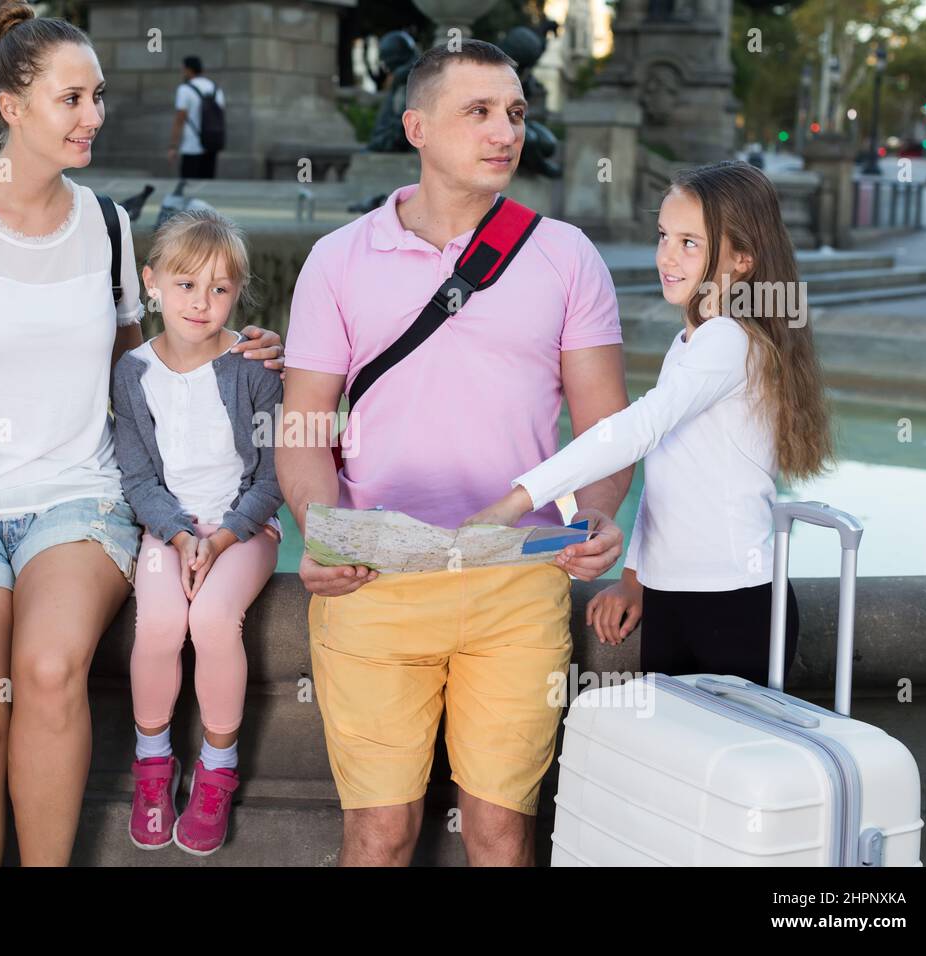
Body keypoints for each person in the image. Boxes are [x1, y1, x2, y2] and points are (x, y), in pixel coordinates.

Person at [0, 0, 284, 866]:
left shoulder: (107, 225)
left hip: (78, 497)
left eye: (96, 96)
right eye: (73, 99)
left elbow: (144, 365)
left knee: (53, 670)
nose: (94, 116)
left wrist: (228, 346)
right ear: (12, 107)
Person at [279, 39, 631, 867]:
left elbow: (609, 431)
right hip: (375, 579)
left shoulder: (566, 256)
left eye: (514, 113)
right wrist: (318, 531)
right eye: (478, 112)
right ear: (417, 128)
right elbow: (302, 428)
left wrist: (600, 516)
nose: (504, 131)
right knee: (378, 833)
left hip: (519, 575)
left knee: (501, 833)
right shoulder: (338, 259)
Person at [469, 161, 834, 686]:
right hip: (671, 599)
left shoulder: (730, 340)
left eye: (691, 243)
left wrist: (513, 503)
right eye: (664, 235)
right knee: (672, 765)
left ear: (743, 258)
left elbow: (636, 429)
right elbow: (665, 477)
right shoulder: (689, 342)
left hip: (735, 603)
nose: (667, 255)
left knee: (723, 765)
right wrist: (636, 583)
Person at [112, 208, 284, 856]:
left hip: (245, 531)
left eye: (219, 288)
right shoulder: (132, 374)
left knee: (213, 620)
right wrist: (181, 536)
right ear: (152, 283)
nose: (201, 302)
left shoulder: (253, 368)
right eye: (185, 285)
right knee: (158, 624)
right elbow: (137, 478)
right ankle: (153, 765)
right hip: (169, 531)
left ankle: (217, 770)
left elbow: (271, 479)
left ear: (238, 291)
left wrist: (221, 538)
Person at [168, 56, 225, 179]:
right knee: (207, 188)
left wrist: (173, 146)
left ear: (189, 70)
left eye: (183, 69)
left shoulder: (185, 89)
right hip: (211, 145)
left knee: (188, 188)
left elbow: (180, 119)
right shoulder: (216, 88)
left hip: (191, 146)